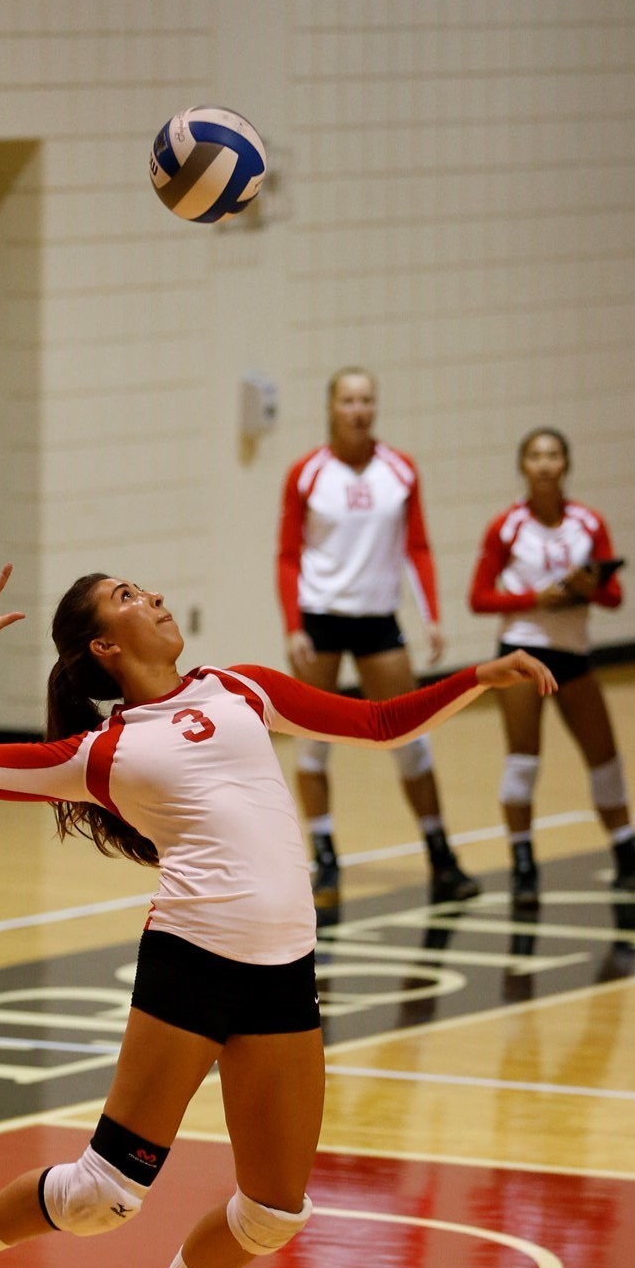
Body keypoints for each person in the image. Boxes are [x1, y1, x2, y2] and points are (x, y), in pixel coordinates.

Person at [0, 553, 555, 1268]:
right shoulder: (102, 751)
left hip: (284, 970)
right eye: (129, 597)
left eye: (146, 586)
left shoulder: (239, 687)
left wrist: (479, 675)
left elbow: (379, 721)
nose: (155, 596)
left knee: (276, 1211)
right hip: (193, 962)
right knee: (102, 1196)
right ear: (104, 644)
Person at [276, 367, 479, 908]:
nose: (358, 409)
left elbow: (418, 547)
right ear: (331, 407)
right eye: (348, 400)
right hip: (321, 617)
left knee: (410, 737)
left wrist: (431, 616)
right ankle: (325, 858)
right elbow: (288, 556)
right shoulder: (307, 473)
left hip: (377, 618)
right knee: (312, 746)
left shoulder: (400, 470)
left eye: (367, 400)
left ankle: (441, 855)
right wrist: (294, 625)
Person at [468, 427, 635, 911]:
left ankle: (628, 858)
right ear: (522, 466)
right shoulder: (506, 526)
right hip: (524, 651)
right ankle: (523, 865)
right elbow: (479, 597)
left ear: (567, 463)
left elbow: (614, 595)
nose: (545, 464)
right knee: (523, 758)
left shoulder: (588, 522)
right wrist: (533, 598)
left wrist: (588, 589)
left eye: (553, 455)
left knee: (604, 755)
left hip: (573, 651)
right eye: (535, 456)